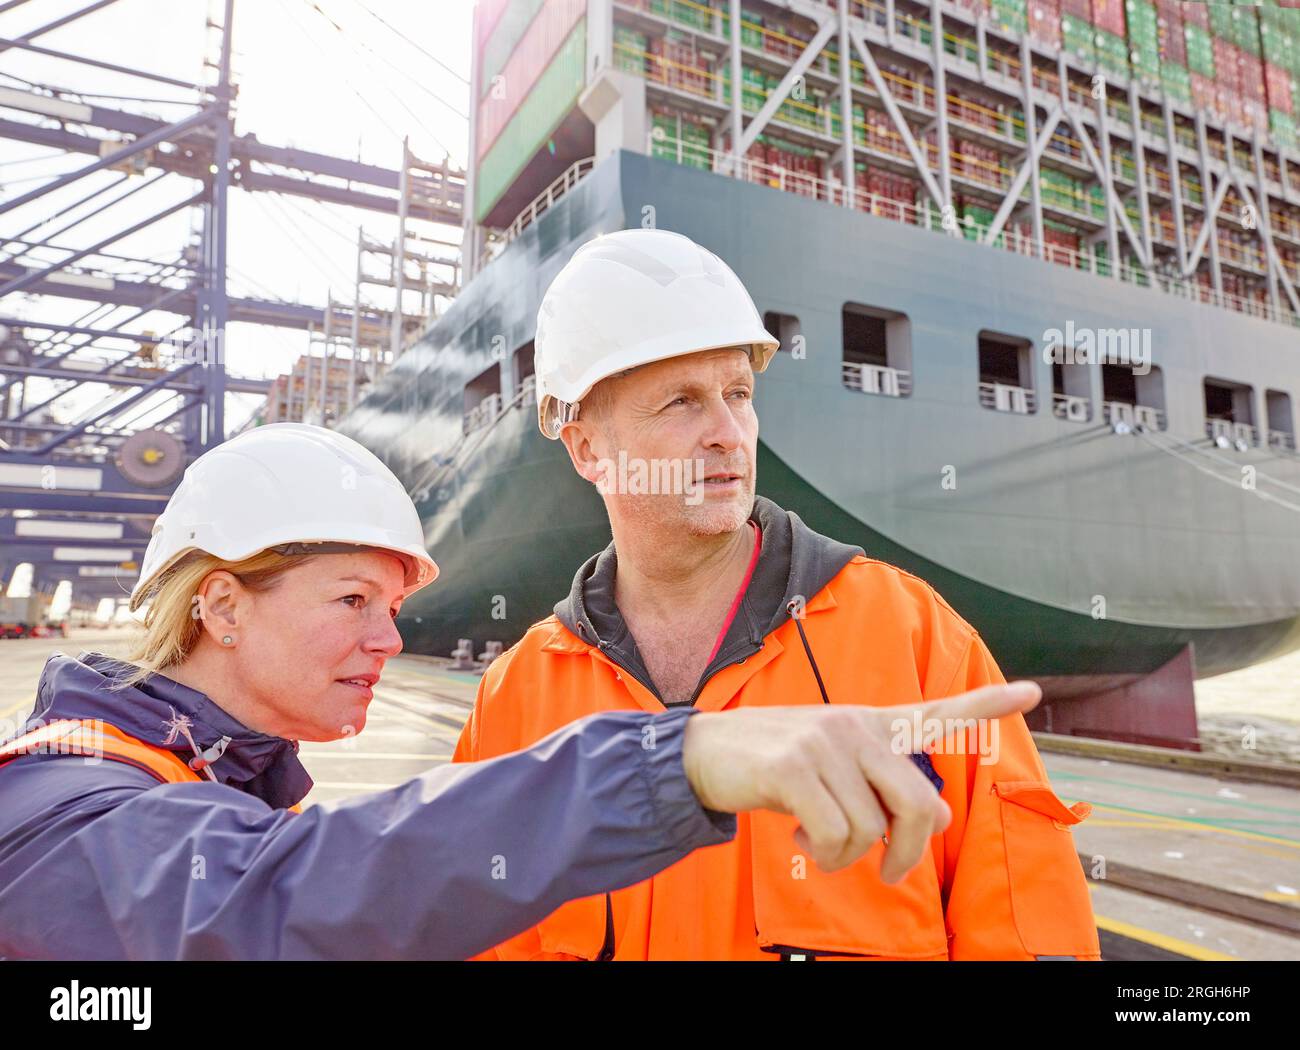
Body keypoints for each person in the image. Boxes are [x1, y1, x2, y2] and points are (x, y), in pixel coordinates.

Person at [0, 422, 1034, 961]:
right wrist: (680, 758)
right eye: (354, 599)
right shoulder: (60, 811)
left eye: (392, 603)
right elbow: (279, 900)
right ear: (222, 607)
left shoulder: (224, 783)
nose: (387, 637)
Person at [453, 227, 1101, 961]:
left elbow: (1029, 931)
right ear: (587, 449)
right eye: (681, 403)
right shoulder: (516, 699)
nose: (729, 433)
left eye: (738, 393)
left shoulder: (916, 641)